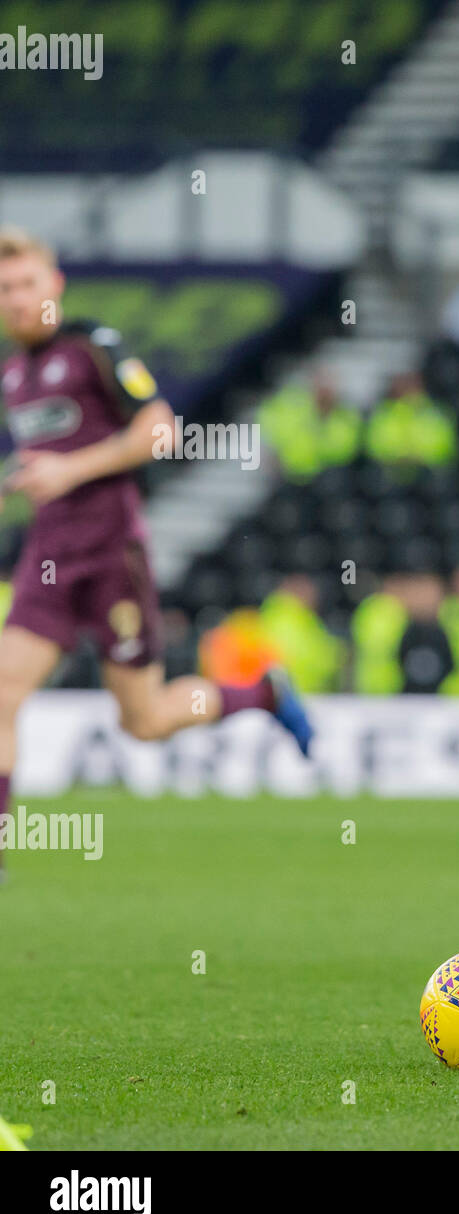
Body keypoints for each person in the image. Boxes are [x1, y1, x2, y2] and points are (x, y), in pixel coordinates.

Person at [0, 228, 313, 882]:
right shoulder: (13, 372)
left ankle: (259, 694)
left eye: (28, 284)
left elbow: (161, 430)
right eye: (6, 290)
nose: (19, 300)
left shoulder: (92, 346)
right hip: (47, 559)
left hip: (112, 555)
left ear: (54, 285)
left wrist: (69, 470)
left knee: (143, 721)